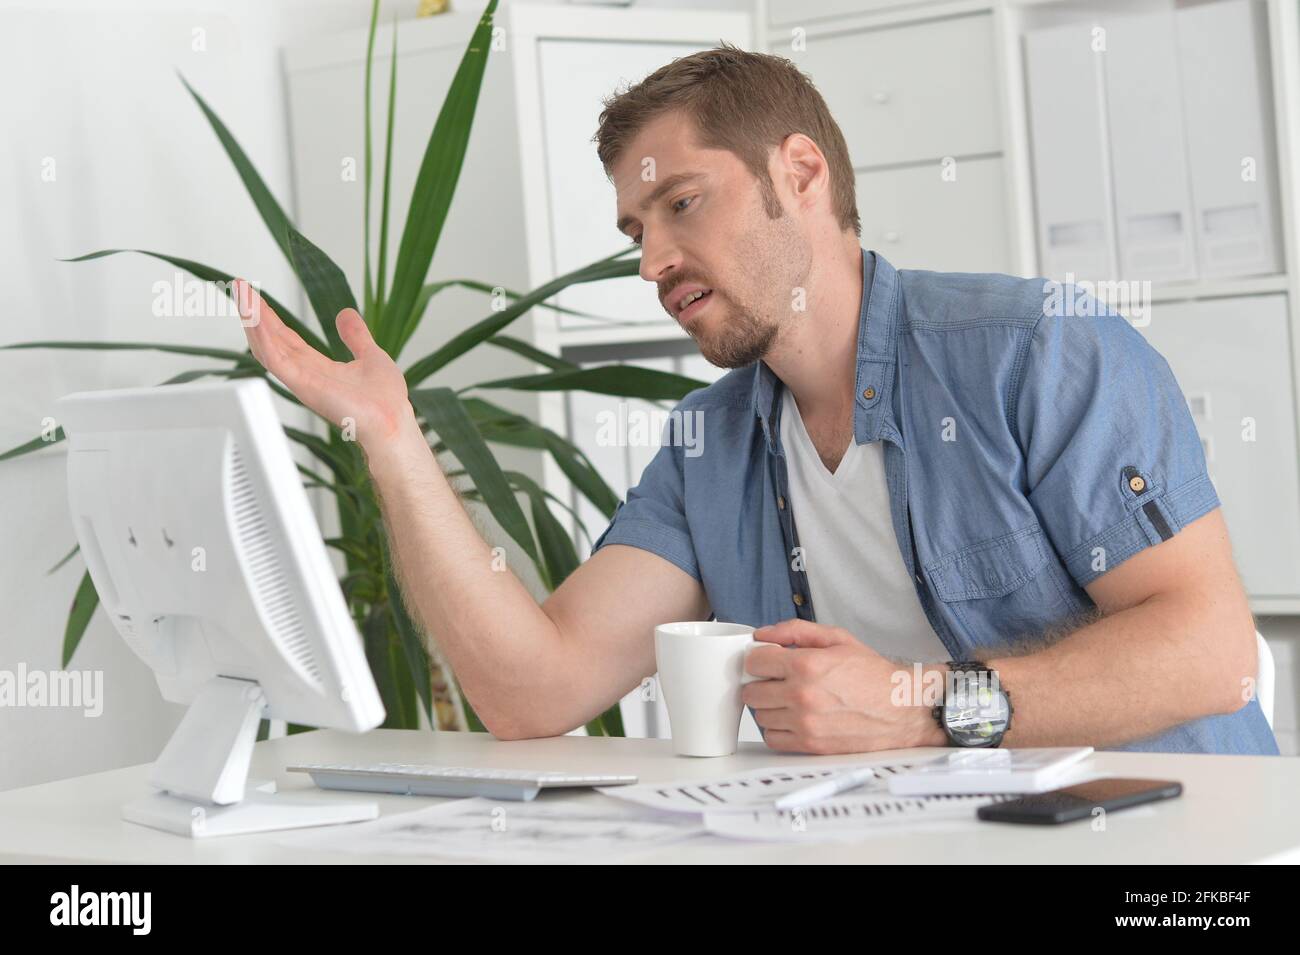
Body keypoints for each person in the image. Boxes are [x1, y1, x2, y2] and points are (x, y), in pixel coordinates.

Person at [234, 45, 1277, 755]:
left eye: (681, 203)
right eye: (635, 232)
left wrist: (919, 706)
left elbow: (1214, 651)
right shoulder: (710, 448)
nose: (652, 261)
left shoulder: (1038, 351)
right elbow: (531, 688)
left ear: (801, 172)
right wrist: (388, 434)